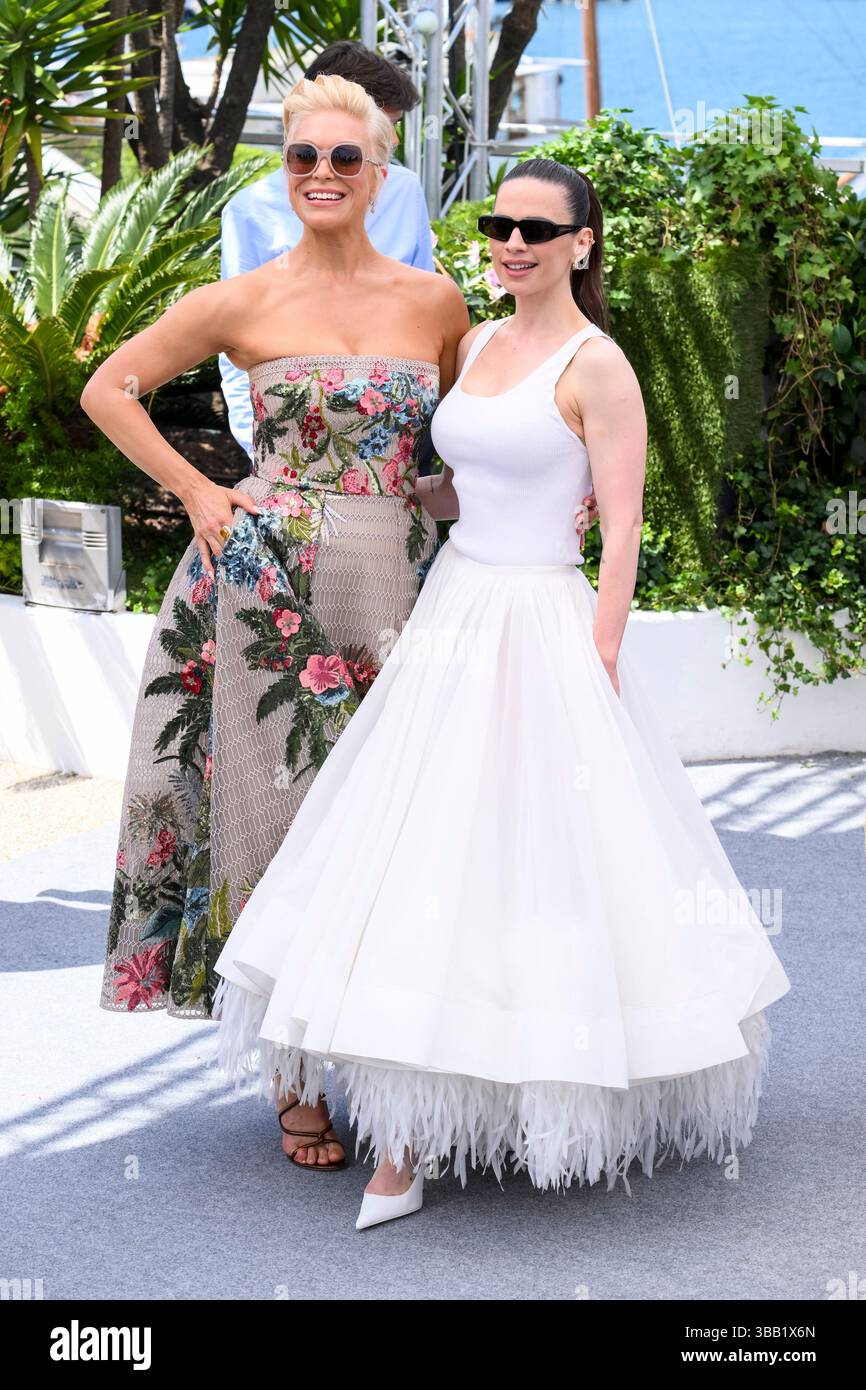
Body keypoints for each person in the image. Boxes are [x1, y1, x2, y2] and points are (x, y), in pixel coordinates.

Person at [211, 157, 791, 1227]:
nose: (512, 241)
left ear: (581, 242)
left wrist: (600, 654)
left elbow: (620, 526)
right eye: (497, 224)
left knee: (534, 859)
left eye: (536, 226)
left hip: (544, 624)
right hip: (453, 614)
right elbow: (453, 485)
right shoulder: (474, 343)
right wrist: (354, 492)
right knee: (421, 847)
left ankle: (490, 1095)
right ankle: (408, 1131)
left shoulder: (595, 361)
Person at [81, 73, 470, 1173]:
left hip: (399, 583)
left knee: (397, 823)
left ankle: (397, 1052)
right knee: (280, 817)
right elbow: (111, 388)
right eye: (301, 157)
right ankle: (292, 1074)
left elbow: (452, 451)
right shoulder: (242, 299)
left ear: (379, 172)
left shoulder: (434, 302)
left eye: (344, 159)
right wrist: (203, 491)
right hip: (267, 590)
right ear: (283, 169)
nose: (320, 175)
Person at [220, 41, 435, 460]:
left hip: (394, 439)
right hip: (292, 443)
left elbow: (426, 320)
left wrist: (414, 444)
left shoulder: (405, 189)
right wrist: (257, 446)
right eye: (384, 122)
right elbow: (232, 348)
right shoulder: (249, 210)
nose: (390, 137)